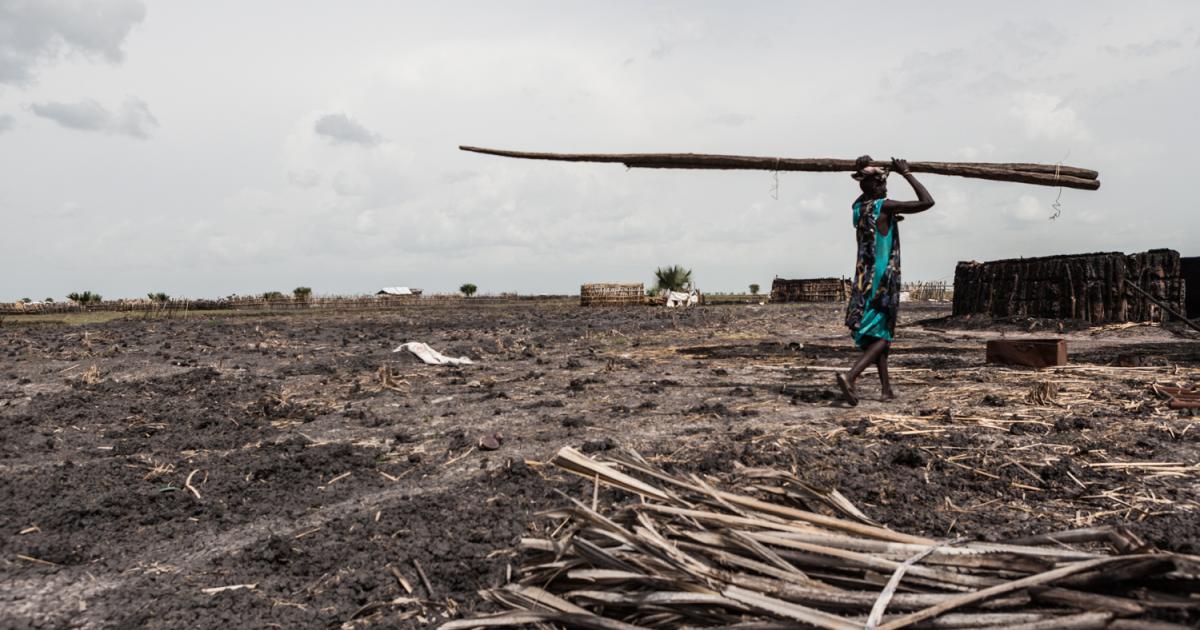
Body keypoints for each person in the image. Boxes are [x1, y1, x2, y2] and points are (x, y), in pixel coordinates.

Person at [836, 155, 934, 405]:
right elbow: (927, 201)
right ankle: (850, 377)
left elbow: (863, 193)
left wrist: (862, 169)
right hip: (881, 281)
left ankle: (886, 390)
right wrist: (907, 173)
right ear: (875, 187)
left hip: (862, 279)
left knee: (877, 335)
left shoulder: (858, 209)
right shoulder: (884, 206)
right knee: (883, 336)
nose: (886, 187)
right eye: (882, 184)